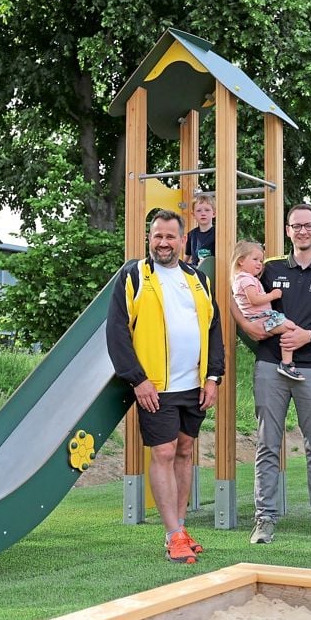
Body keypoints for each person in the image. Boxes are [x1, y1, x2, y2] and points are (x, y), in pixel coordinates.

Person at [106, 209, 226, 563]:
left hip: (195, 384)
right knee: (163, 453)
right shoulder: (134, 275)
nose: (163, 242)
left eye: (170, 236)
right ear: (149, 238)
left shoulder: (198, 279)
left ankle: (181, 527)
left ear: (183, 240)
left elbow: (214, 329)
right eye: (157, 235)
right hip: (156, 387)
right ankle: (172, 534)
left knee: (186, 451)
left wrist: (213, 377)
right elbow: (116, 331)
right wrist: (137, 379)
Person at [230, 203, 311, 545]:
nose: (302, 231)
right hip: (270, 366)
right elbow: (231, 292)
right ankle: (264, 519)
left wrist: (310, 336)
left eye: (308, 225)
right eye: (295, 225)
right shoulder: (265, 268)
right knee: (268, 445)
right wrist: (247, 327)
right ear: (288, 230)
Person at [231, 240, 304, 381]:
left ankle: (288, 362)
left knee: (291, 328)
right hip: (260, 319)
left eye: (261, 260)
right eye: (255, 259)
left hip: (262, 317)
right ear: (240, 261)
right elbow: (254, 299)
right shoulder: (245, 279)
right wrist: (273, 295)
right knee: (290, 328)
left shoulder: (245, 278)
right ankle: (287, 364)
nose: (260, 263)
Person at [185, 196, 216, 266]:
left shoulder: (217, 233)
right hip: (195, 270)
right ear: (193, 215)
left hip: (212, 270)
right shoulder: (191, 235)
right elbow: (187, 256)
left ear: (214, 214)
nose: (203, 213)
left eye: (207, 210)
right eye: (199, 210)